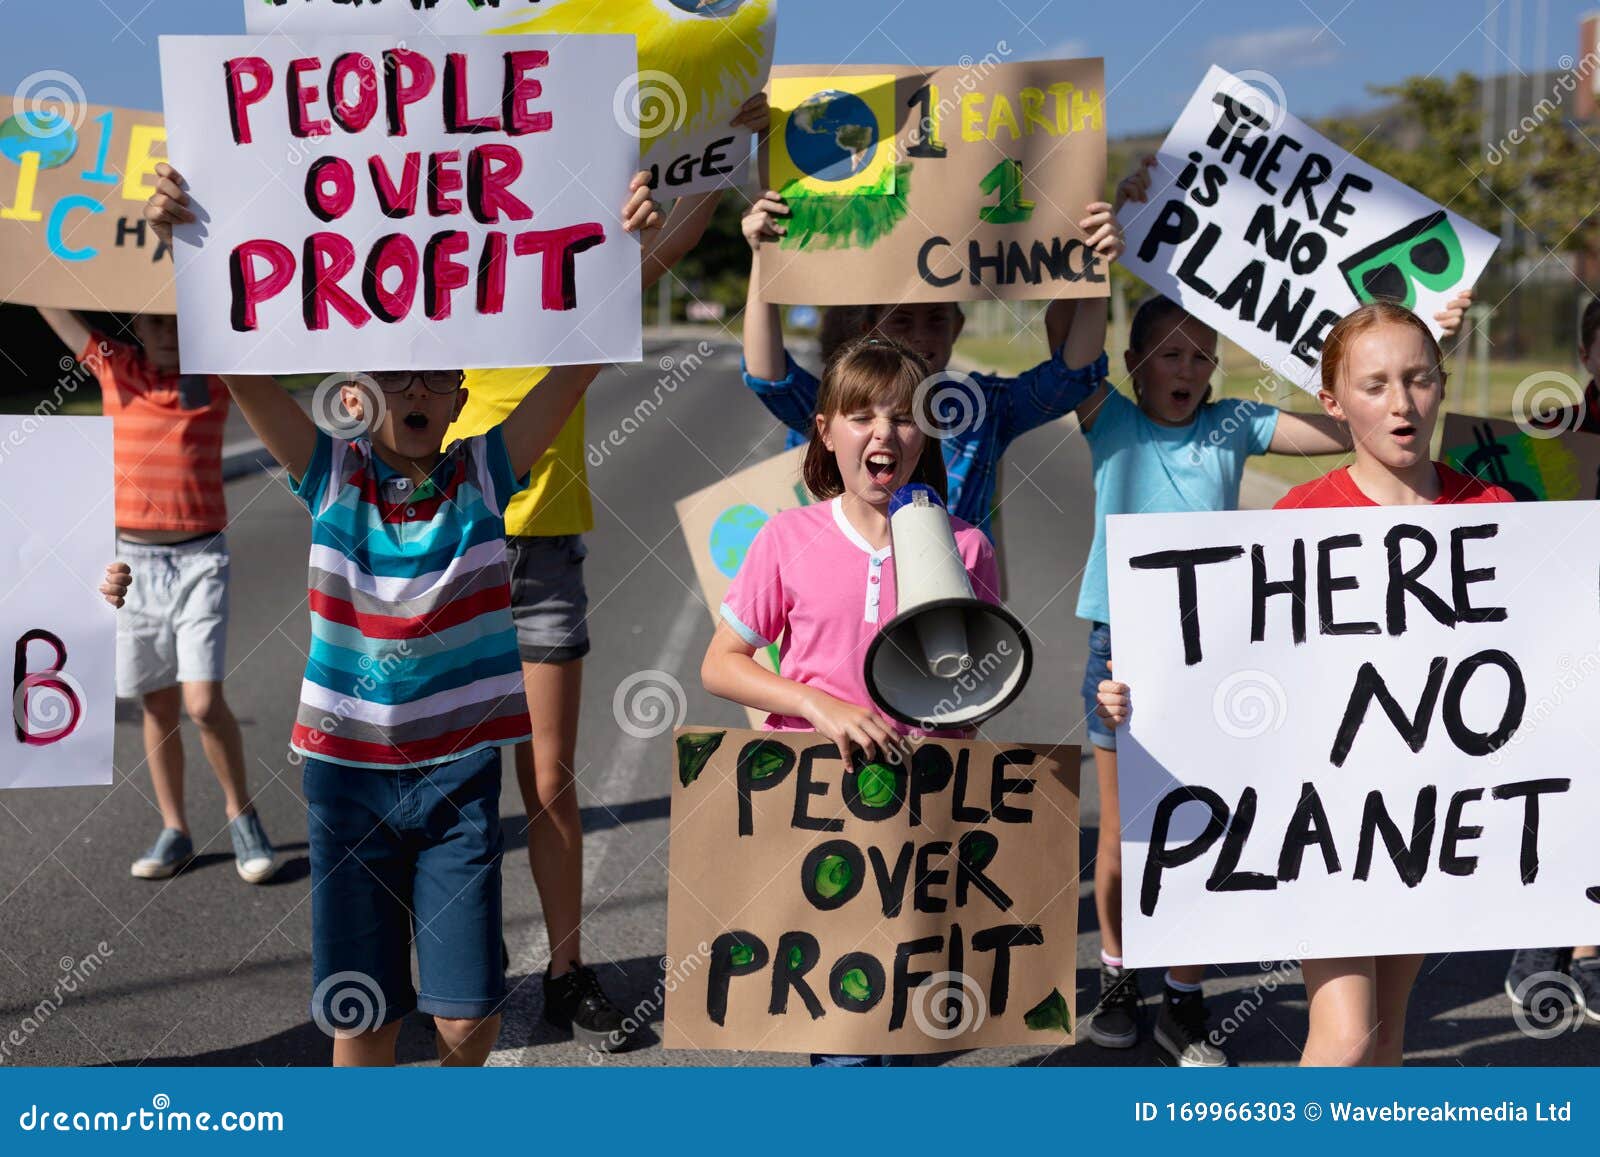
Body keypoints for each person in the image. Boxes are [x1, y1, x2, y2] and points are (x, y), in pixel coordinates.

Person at [146, 161, 663, 1066]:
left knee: (466, 1019)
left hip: (459, 782)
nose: (418, 391)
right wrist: (187, 245)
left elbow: (578, 364)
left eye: (437, 377)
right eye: (398, 376)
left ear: (462, 397)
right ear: (364, 394)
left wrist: (628, 251)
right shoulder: (329, 472)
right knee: (365, 1018)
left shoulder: (486, 473)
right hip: (346, 786)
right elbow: (239, 368)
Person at [1057, 157, 1473, 1066]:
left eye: (1204, 354)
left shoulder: (1234, 422)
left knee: (1195, 825)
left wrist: (1382, 357)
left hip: (1218, 645)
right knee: (1130, 833)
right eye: (1170, 352)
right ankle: (1122, 967)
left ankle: (1188, 998)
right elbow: (1070, 355)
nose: (1189, 367)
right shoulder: (1110, 417)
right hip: (1126, 646)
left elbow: (1343, 423)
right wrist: (1101, 256)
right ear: (1136, 362)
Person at [439, 93, 770, 1051]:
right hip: (442, 553)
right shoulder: (425, 292)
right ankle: (460, 973)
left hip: (544, 552)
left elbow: (677, 237)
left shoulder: (563, 286)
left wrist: (724, 148)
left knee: (546, 778)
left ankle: (567, 970)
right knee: (457, 781)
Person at [702, 334, 1021, 1066]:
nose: (885, 434)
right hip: (819, 819)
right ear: (825, 431)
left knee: (912, 1039)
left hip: (922, 821)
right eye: (862, 415)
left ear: (926, 433)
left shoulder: (967, 547)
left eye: (905, 417)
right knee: (843, 1036)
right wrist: (818, 705)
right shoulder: (787, 537)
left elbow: (980, 691)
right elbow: (722, 663)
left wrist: (960, 707)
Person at [34, 306, 275, 885]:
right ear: (136, 327)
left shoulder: (212, 375)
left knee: (199, 703)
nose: (169, 333)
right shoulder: (116, 369)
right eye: (157, 323)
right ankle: (176, 829)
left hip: (200, 559)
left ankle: (242, 814)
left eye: (178, 321)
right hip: (132, 564)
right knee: (155, 704)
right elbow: (52, 307)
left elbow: (250, 316)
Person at [737, 191, 1125, 532]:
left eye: (937, 320)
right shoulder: (845, 402)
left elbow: (1072, 378)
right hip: (857, 604)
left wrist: (1094, 268)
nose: (921, 336)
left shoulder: (985, 407)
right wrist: (760, 258)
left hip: (953, 605)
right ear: (872, 329)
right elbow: (770, 376)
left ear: (957, 327)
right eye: (903, 321)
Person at [1503, 293, 1600, 1015]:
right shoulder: (1545, 434)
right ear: (1585, 355)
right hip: (1560, 643)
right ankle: (1539, 937)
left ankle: (1587, 943)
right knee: (1557, 789)